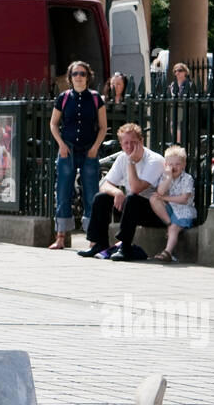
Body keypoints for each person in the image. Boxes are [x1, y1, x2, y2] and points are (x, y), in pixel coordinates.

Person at [78, 122, 166, 261]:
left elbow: (137, 188)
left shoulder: (154, 160)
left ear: (141, 141)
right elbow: (105, 184)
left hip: (156, 212)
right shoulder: (122, 157)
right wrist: (117, 192)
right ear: (121, 144)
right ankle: (99, 244)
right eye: (126, 143)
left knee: (132, 198)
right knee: (101, 197)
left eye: (134, 142)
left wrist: (131, 162)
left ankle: (125, 247)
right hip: (131, 209)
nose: (129, 146)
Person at [48, 61, 107, 249]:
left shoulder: (96, 98)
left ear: (88, 76)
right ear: (70, 77)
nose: (79, 77)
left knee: (91, 193)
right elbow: (53, 124)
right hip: (68, 149)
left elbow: (103, 126)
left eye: (82, 73)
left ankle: (92, 239)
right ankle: (60, 237)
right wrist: (61, 145)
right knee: (63, 192)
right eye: (75, 74)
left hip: (89, 149)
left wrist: (95, 147)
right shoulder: (63, 98)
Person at [149, 145, 197, 262]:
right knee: (154, 198)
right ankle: (169, 222)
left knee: (174, 229)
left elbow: (184, 199)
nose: (174, 167)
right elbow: (160, 192)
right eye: (170, 164)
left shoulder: (187, 178)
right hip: (171, 210)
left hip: (184, 211)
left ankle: (167, 252)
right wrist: (169, 177)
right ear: (166, 165)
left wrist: (165, 197)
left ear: (184, 165)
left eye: (177, 164)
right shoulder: (166, 177)